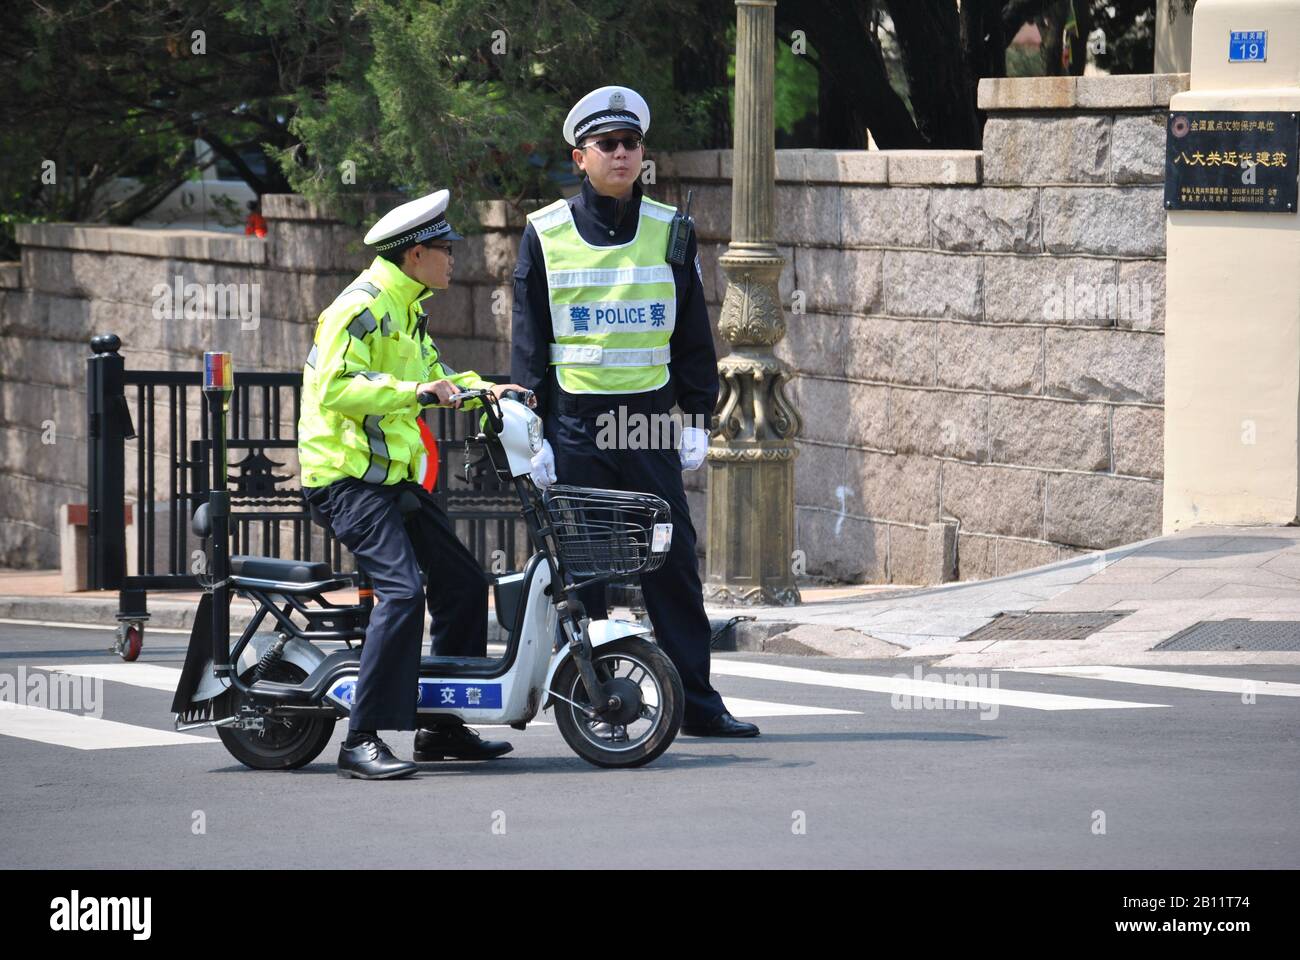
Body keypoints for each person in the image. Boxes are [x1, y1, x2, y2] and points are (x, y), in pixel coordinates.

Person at [511, 86, 759, 739]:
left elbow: (693, 329)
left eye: (631, 143)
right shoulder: (545, 232)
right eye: (607, 144)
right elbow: (530, 338)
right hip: (576, 424)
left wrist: (698, 415)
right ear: (580, 157)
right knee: (584, 570)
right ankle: (591, 702)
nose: (621, 154)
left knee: (671, 563)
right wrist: (533, 429)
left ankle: (699, 704)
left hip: (648, 422)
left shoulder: (671, 229)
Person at [299, 189, 535, 779]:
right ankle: (360, 739)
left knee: (463, 582)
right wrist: (414, 393)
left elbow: (436, 375)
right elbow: (335, 387)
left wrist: (488, 390)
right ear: (414, 255)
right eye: (446, 249)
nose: (454, 258)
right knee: (402, 593)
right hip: (346, 480)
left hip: (390, 483)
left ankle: (440, 728)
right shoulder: (358, 308)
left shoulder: (407, 309)